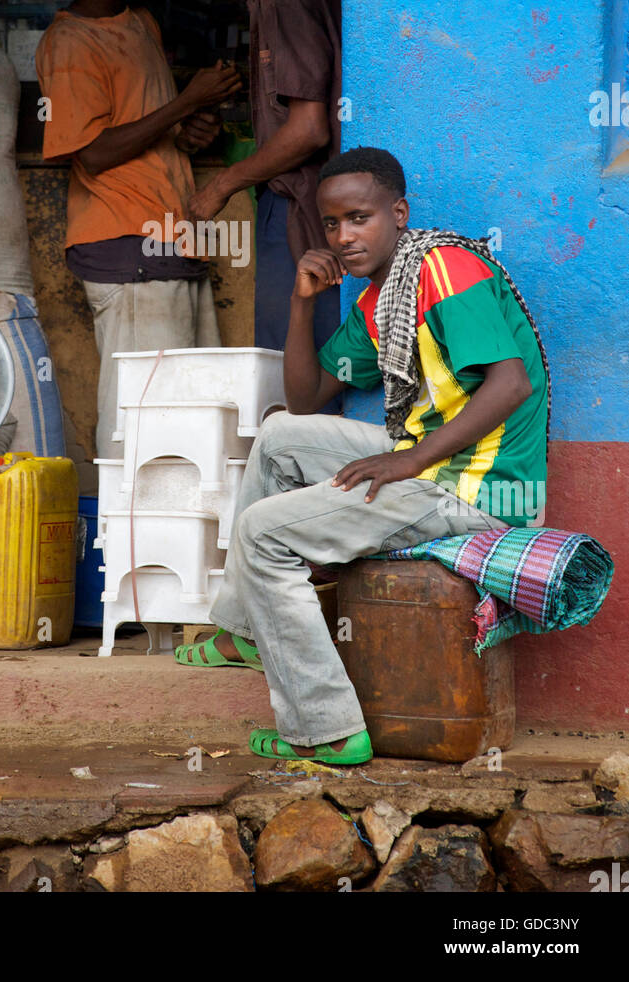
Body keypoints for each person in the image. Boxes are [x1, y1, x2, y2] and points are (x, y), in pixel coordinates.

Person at [175, 147, 550, 766]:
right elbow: (306, 396)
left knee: (263, 533)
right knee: (278, 438)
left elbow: (511, 384)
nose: (344, 237)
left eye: (359, 218)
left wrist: (408, 462)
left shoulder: (446, 269)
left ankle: (326, 729)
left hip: (477, 491)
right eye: (332, 224)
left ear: (398, 214)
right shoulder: (382, 299)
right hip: (428, 462)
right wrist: (302, 302)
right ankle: (245, 630)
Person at [35, 0, 241, 458]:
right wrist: (186, 102)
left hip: (173, 241)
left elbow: (147, 126)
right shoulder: (70, 42)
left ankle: (182, 538)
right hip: (127, 247)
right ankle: (124, 542)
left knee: (193, 413)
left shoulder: (141, 23)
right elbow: (93, 154)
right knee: (143, 415)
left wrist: (190, 126)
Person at [188, 0, 342, 352]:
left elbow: (308, 128)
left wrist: (221, 185)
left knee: (289, 358)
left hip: (299, 202)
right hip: (333, 201)